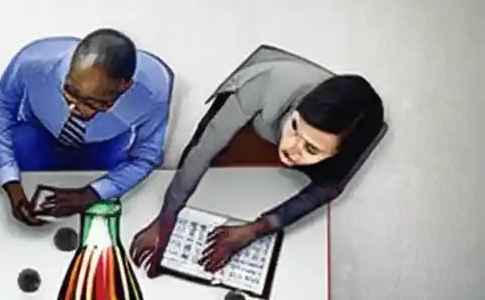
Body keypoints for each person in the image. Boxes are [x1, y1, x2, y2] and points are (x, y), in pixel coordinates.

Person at [131, 55, 384, 273]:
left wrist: (255, 229)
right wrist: (166, 218)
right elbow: (204, 148)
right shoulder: (266, 84)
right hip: (256, 106)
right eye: (294, 126)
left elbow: (325, 190)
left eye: (311, 148)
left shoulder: (355, 143)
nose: (291, 147)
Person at [0, 31, 172, 226]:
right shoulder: (33, 61)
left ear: (125, 86)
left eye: (95, 103)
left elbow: (145, 158)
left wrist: (93, 193)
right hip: (38, 135)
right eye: (70, 92)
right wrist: (10, 182)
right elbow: (2, 110)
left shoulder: (154, 88)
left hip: (104, 148)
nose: (75, 109)